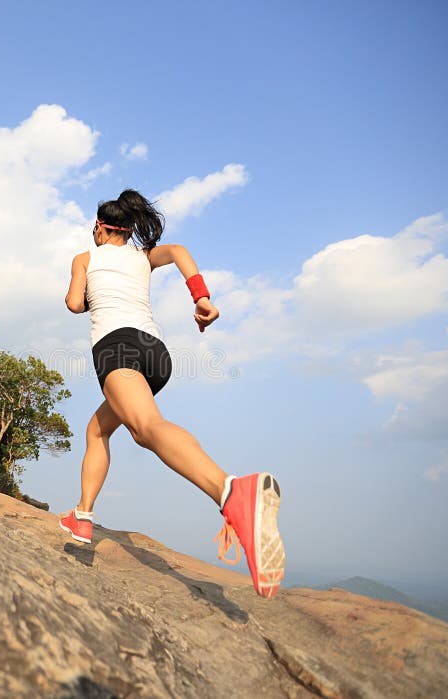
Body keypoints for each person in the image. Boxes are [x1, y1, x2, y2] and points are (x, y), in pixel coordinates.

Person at [59, 189, 285, 598]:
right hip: (155, 355)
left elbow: (75, 303)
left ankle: (230, 491)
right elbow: (179, 250)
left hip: (117, 348)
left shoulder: (85, 258)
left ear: (98, 227)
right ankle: (83, 516)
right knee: (98, 430)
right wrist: (202, 299)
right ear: (127, 229)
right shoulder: (143, 256)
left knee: (146, 428)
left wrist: (84, 292)